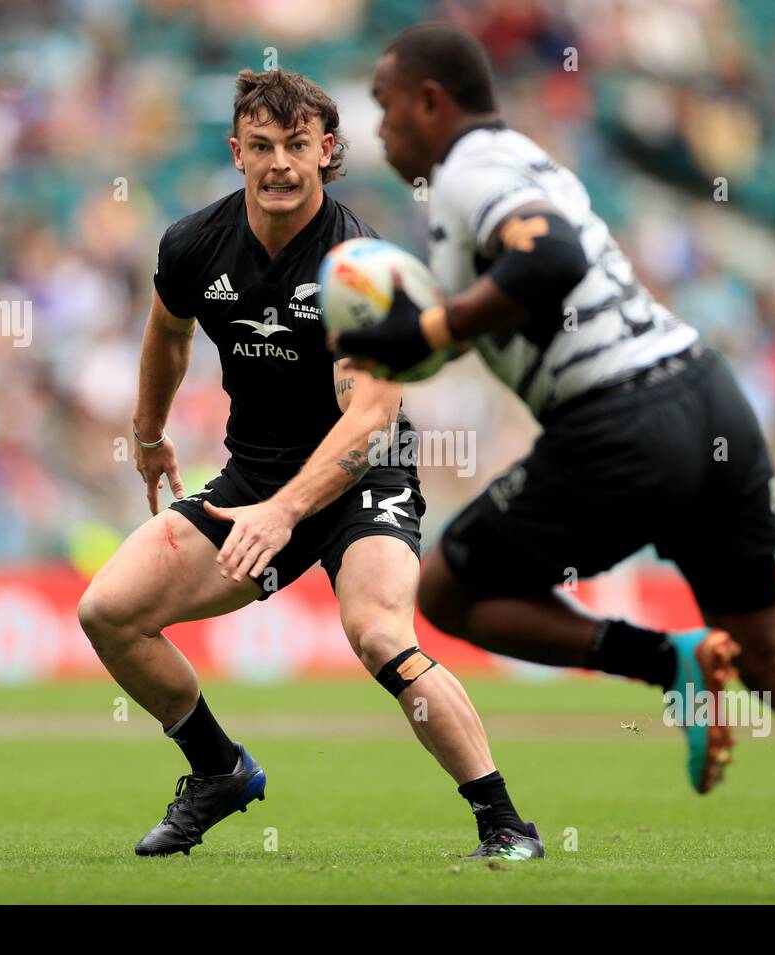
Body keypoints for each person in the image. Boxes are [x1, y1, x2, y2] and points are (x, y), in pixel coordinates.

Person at [336, 23, 775, 897]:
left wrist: (430, 328)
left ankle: (670, 660)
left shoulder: (471, 168)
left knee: (447, 591)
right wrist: (417, 340)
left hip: (622, 418)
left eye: (386, 107)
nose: (382, 127)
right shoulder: (523, 164)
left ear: (431, 102)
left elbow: (548, 259)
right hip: (707, 394)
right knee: (774, 652)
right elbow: (529, 289)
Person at [79, 67, 542, 861]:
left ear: (327, 151)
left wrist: (286, 512)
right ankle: (218, 770)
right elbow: (168, 331)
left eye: (297, 145)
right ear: (236, 152)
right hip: (253, 482)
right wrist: (149, 432)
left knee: (377, 631)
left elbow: (369, 421)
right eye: (261, 146)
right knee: (108, 611)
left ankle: (504, 822)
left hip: (364, 479)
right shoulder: (193, 243)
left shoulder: (359, 266)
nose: (280, 164)